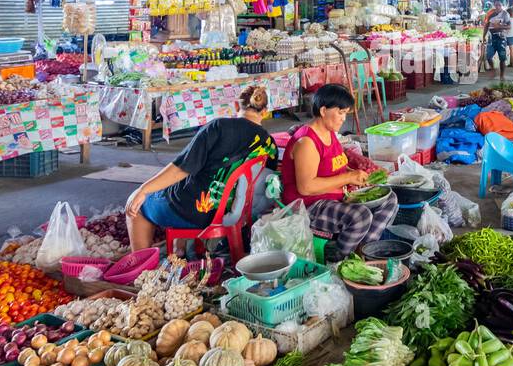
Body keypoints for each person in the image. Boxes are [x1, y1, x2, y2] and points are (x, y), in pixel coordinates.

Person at [125, 85, 278, 252]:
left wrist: (143, 189)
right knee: (180, 187)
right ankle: (179, 248)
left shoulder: (218, 127)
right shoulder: (269, 144)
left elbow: (181, 168)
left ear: (236, 106)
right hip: (234, 212)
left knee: (137, 205)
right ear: (265, 111)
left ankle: (141, 268)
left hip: (196, 210)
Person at [280, 84, 398, 263]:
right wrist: (349, 177)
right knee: (360, 217)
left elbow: (336, 167)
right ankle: (339, 262)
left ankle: (363, 254)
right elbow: (306, 187)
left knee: (389, 199)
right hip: (309, 205)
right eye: (341, 112)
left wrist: (356, 176)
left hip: (336, 196)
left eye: (345, 113)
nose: (344, 119)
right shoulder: (307, 142)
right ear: (323, 110)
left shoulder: (330, 133)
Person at [481, 0, 512, 81]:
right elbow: (486, 26)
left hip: (501, 38)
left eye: (499, 5)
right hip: (491, 38)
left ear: (502, 5)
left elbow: (509, 26)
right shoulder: (490, 14)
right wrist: (483, 36)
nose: (498, 6)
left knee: (502, 58)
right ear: (494, 5)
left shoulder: (505, 14)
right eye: (496, 5)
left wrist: (500, 26)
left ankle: (502, 75)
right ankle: (493, 70)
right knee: (488, 56)